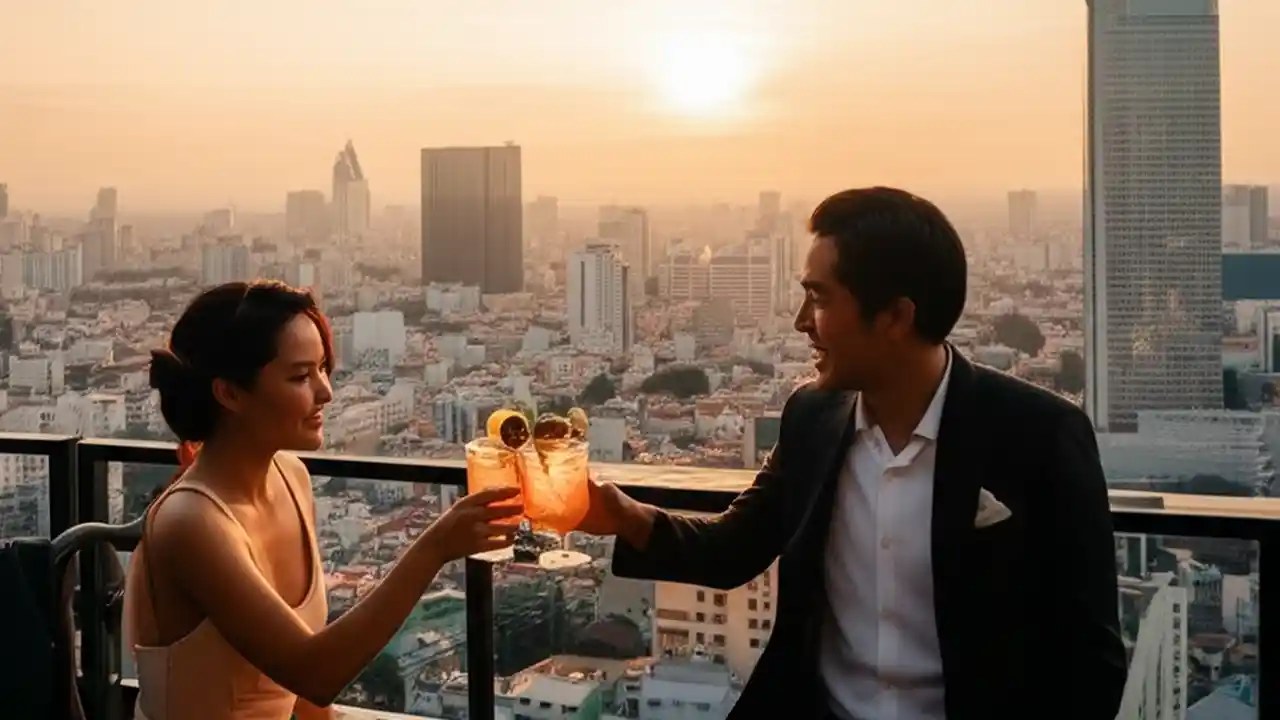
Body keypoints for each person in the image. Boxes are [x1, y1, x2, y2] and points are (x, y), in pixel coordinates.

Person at [580, 188, 1127, 719]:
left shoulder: (1039, 435)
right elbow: (734, 548)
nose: (801, 322)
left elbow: (1090, 660)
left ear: (895, 317)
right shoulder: (813, 419)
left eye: (819, 299)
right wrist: (620, 516)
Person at [123, 281, 520, 720]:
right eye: (300, 376)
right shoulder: (191, 522)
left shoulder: (291, 478)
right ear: (230, 393)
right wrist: (434, 548)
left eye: (322, 369)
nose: (325, 391)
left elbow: (304, 696)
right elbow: (314, 671)